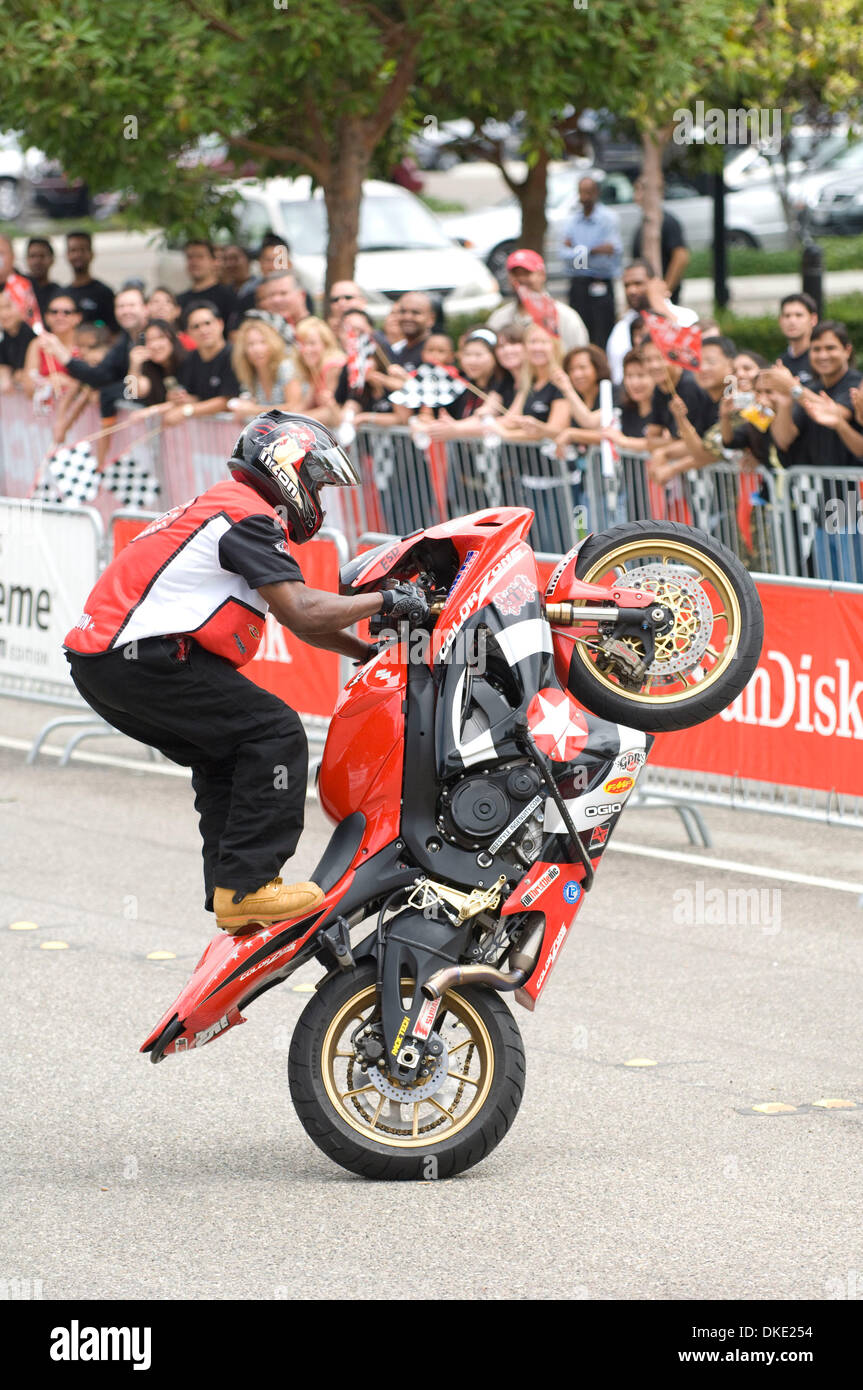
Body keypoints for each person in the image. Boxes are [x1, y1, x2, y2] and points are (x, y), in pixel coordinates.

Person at [62, 411, 431, 934]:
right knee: (274, 732)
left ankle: (233, 892)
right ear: (285, 467)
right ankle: (252, 885)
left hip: (106, 663)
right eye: (317, 482)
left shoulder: (230, 506)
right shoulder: (248, 514)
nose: (318, 498)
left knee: (227, 756)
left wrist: (363, 651)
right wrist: (389, 599)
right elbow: (303, 610)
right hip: (139, 656)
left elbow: (295, 617)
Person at [38, 285, 149, 423]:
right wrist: (61, 353)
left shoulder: (154, 336)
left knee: (109, 393)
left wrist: (134, 369)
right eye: (121, 306)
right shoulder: (125, 339)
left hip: (152, 418)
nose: (126, 311)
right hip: (132, 419)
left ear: (146, 308)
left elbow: (135, 390)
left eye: (131, 305)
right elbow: (100, 375)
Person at [605, 259, 698, 384]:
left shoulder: (685, 315)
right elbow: (618, 376)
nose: (631, 290)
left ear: (655, 283)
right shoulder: (621, 326)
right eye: (627, 285)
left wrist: (658, 303)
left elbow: (689, 355)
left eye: (638, 283)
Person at [560, 176, 623, 348]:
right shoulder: (572, 220)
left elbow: (612, 249)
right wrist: (592, 250)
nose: (584, 196)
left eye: (588, 192)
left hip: (601, 280)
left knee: (603, 332)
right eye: (581, 192)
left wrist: (579, 249)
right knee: (580, 329)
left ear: (596, 193)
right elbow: (564, 253)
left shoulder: (608, 218)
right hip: (579, 282)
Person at [486, 250, 588, 353]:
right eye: (515, 274)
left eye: (526, 273)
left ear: (542, 275)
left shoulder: (566, 317)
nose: (521, 279)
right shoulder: (499, 319)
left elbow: (580, 357)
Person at [165, 300, 240, 424]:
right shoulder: (190, 360)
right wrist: (179, 398)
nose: (203, 330)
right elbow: (192, 395)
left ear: (220, 324)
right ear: (188, 333)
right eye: (196, 326)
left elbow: (227, 400)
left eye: (207, 323)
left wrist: (186, 410)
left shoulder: (235, 355)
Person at [631, 176, 691, 304]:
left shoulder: (667, 222)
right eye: (635, 190)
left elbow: (681, 257)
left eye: (640, 190)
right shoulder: (644, 224)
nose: (636, 195)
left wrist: (665, 291)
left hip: (664, 300)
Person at [227, 316, 297, 420]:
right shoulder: (251, 375)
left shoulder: (285, 367)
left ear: (272, 343)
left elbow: (294, 408)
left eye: (262, 342)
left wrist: (253, 410)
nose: (257, 349)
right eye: (251, 344)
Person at [22, 292, 82, 401]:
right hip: (48, 414)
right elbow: (28, 387)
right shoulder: (38, 344)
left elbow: (95, 383)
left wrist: (68, 382)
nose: (60, 316)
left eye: (67, 312)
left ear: (78, 317)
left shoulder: (85, 344)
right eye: (54, 312)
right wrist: (47, 382)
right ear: (47, 317)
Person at [552, 345, 611, 451]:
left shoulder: (611, 392)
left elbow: (590, 422)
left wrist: (572, 434)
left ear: (597, 368)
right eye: (571, 370)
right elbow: (558, 429)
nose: (577, 374)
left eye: (582, 367)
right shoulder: (575, 396)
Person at [289, 316, 345, 425]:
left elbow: (331, 413)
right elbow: (303, 406)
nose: (306, 350)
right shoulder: (315, 369)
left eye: (312, 343)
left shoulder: (333, 366)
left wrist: (291, 421)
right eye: (303, 344)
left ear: (326, 343)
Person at [176, 240, 240, 331]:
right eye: (190, 257)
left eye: (200, 257)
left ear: (214, 262)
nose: (194, 262)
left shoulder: (228, 296)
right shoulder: (179, 300)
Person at [125, 319, 188, 406]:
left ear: (172, 339)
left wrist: (152, 410)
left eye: (160, 337)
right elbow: (133, 393)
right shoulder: (149, 368)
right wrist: (134, 366)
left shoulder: (188, 362)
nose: (155, 345)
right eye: (149, 340)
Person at [64, 231, 117, 332]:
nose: (78, 255)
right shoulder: (61, 294)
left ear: (91, 254)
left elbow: (114, 331)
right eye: (73, 250)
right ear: (67, 255)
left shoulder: (104, 293)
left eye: (82, 250)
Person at [777, 292, 818, 387]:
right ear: (780, 321)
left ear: (813, 319)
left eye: (799, 315)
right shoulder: (780, 362)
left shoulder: (821, 358)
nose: (792, 321)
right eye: (787, 316)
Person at [0, 289, 36, 390]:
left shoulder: (31, 335)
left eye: (8, 307)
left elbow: (24, 375)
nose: (3, 313)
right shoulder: (4, 336)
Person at [389, 292, 436, 370]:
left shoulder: (436, 350)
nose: (407, 317)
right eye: (403, 311)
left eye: (415, 312)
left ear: (431, 319)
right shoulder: (398, 350)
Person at [25, 237, 61, 318]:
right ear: (27, 260)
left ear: (52, 259)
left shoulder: (59, 293)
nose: (37, 261)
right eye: (32, 256)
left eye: (42, 256)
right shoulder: (18, 289)